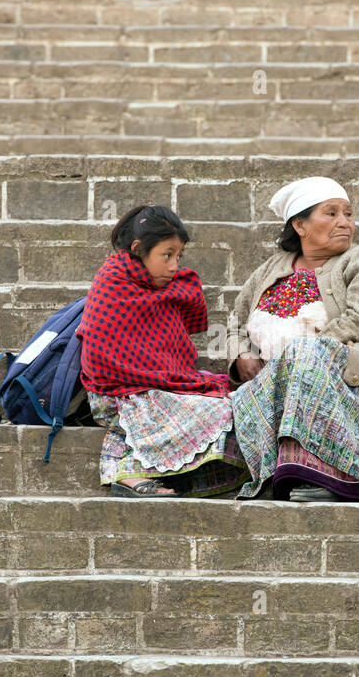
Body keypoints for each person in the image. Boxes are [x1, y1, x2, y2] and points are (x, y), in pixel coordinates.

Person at [227, 177, 359, 502]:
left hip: (353, 378)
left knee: (306, 354)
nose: (344, 223)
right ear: (300, 225)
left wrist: (296, 355)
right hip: (277, 382)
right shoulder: (269, 269)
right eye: (331, 213)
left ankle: (320, 473)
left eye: (348, 214)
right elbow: (235, 324)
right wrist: (241, 355)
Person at [78, 206, 249, 498]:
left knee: (241, 405)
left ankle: (180, 475)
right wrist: (170, 385)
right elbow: (102, 358)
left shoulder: (163, 290)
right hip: (118, 395)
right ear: (138, 249)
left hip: (159, 387)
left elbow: (167, 354)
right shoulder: (114, 284)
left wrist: (176, 383)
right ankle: (128, 472)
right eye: (166, 255)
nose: (174, 266)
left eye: (179, 256)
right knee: (221, 411)